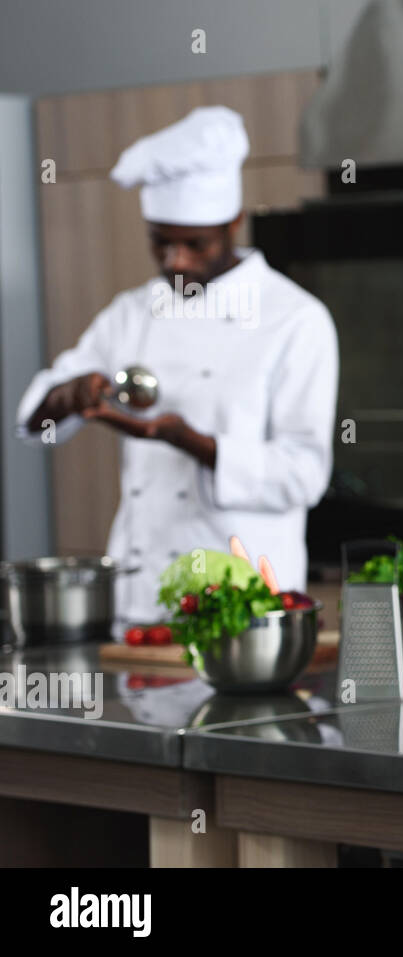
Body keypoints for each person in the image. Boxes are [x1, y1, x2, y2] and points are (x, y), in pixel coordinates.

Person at [15, 106, 339, 628]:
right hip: (141, 602)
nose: (175, 263)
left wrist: (190, 441)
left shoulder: (296, 319)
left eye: (195, 244)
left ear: (234, 222)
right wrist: (69, 395)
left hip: (246, 604)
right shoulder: (132, 311)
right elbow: (36, 424)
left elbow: (304, 475)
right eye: (160, 242)